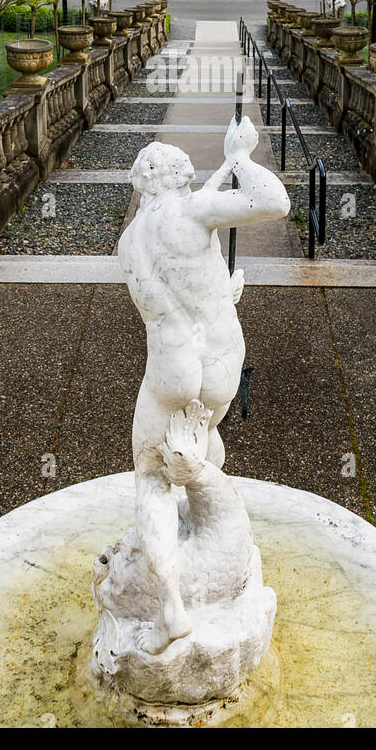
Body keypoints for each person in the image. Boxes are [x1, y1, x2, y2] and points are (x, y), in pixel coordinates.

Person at [118, 117, 289, 653]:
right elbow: (273, 202)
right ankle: (219, 546)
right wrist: (240, 159)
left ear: (143, 182)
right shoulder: (194, 210)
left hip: (169, 369)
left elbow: (172, 277)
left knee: (151, 475)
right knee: (203, 446)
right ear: (179, 178)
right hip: (218, 365)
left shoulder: (129, 240)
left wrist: (215, 289)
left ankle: (172, 606)